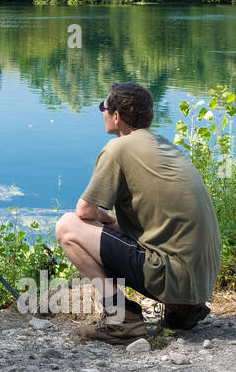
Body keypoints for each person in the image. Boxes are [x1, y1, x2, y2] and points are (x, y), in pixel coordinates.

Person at [54, 82, 221, 344]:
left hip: (172, 276)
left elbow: (84, 211)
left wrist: (106, 220)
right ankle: (184, 309)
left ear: (117, 116)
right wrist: (111, 222)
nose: (102, 112)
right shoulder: (164, 146)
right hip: (199, 280)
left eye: (103, 107)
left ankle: (122, 319)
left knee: (67, 227)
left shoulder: (118, 148)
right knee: (114, 229)